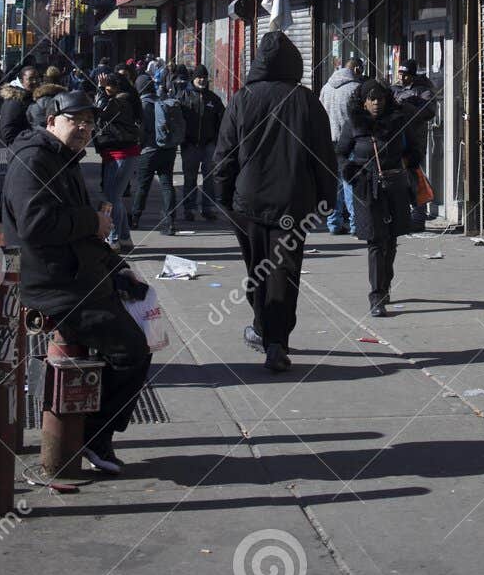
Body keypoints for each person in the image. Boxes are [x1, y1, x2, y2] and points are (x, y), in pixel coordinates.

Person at [2, 92, 151, 474]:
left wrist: (118, 267)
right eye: (75, 120)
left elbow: (82, 231)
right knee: (132, 349)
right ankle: (94, 437)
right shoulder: (35, 158)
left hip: (76, 272)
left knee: (139, 314)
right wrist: (92, 222)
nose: (84, 128)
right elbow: (35, 225)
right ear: (52, 121)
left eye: (88, 122)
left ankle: (89, 429)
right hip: (56, 284)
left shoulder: (61, 157)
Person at [212, 30, 337, 373]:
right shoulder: (307, 101)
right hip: (293, 202)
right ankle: (276, 340)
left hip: (248, 201)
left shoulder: (242, 98)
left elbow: (225, 154)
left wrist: (223, 197)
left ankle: (263, 327)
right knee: (284, 270)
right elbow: (324, 156)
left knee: (256, 268)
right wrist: (327, 198)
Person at [337, 79, 420, 319]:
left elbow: (413, 150)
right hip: (366, 189)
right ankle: (376, 296)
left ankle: (385, 283)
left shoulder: (398, 122)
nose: (376, 103)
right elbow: (341, 154)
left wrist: (408, 162)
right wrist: (351, 173)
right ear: (363, 102)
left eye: (380, 99)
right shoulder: (353, 124)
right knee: (375, 241)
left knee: (391, 241)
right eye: (371, 99)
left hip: (394, 186)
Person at [93, 74, 142, 252]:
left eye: (107, 87)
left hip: (120, 153)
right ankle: (124, 238)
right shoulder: (124, 99)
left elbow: (100, 112)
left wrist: (100, 90)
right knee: (115, 198)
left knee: (111, 199)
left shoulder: (121, 101)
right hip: (118, 153)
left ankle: (113, 238)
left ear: (115, 87)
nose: (105, 90)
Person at [130, 72, 179, 236]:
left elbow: (141, 132)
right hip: (168, 150)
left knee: (143, 186)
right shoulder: (163, 102)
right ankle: (170, 222)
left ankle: (135, 218)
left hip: (149, 151)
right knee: (167, 185)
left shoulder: (142, 106)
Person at [392, 58, 438, 230]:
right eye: (401, 74)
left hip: (414, 140)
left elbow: (428, 111)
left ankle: (419, 218)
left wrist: (407, 106)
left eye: (406, 75)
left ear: (413, 75)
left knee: (415, 178)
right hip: (397, 139)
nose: (402, 79)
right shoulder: (395, 89)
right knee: (400, 178)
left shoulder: (423, 91)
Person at [319, 57, 363, 235]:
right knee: (350, 183)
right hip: (349, 142)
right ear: (357, 69)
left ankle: (334, 223)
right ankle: (355, 224)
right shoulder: (355, 89)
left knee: (334, 184)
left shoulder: (326, 88)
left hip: (329, 141)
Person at [179, 65, 224, 222]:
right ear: (194, 78)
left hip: (209, 145)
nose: (203, 80)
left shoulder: (214, 99)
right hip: (189, 145)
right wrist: (182, 139)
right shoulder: (183, 96)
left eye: (205, 77)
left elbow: (222, 121)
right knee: (190, 178)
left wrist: (217, 141)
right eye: (200, 77)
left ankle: (208, 208)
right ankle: (189, 209)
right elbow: (177, 120)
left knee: (210, 178)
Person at [0, 64, 40, 148]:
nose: (35, 81)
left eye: (37, 78)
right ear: (21, 81)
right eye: (31, 79)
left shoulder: (30, 96)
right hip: (23, 151)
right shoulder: (14, 101)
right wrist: (26, 146)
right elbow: (8, 133)